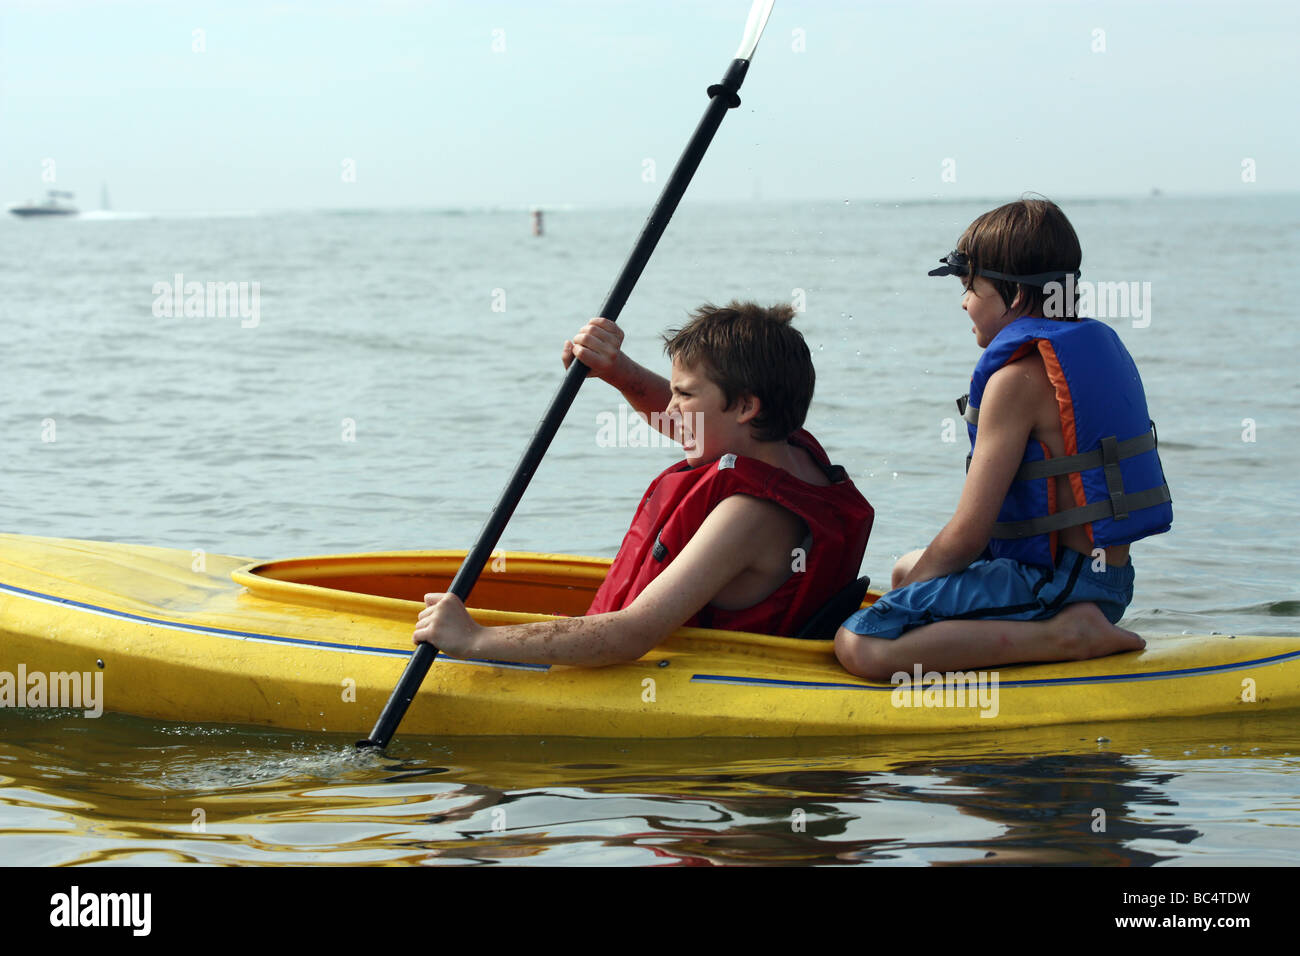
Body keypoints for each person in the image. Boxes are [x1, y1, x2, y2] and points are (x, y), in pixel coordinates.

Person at [414, 301, 874, 666]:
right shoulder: (792, 450)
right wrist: (617, 370)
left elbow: (631, 634)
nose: (669, 410)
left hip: (706, 682)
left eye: (684, 394)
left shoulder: (748, 516)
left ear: (747, 407)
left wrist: (475, 639)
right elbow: (704, 424)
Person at [835, 199, 1172, 681]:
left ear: (1012, 295)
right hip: (1108, 583)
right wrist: (908, 588)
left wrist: (893, 608)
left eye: (970, 286)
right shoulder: (1094, 351)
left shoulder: (1013, 382)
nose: (964, 301)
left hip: (1053, 588)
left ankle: (1067, 636)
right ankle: (1069, 626)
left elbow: (968, 536)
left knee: (860, 643)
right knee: (904, 570)